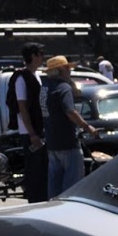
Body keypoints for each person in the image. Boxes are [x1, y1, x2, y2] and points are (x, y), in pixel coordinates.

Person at [39, 56, 98, 198]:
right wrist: (87, 126)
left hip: (52, 143)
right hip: (68, 142)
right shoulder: (63, 88)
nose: (70, 71)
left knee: (54, 184)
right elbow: (70, 111)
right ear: (61, 70)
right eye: (67, 68)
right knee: (72, 186)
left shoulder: (45, 88)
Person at [8, 42, 49, 202]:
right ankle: (35, 200)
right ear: (33, 56)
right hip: (30, 132)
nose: (43, 57)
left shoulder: (36, 75)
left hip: (39, 129)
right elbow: (22, 107)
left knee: (43, 168)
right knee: (34, 170)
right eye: (41, 54)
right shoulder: (21, 77)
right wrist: (32, 133)